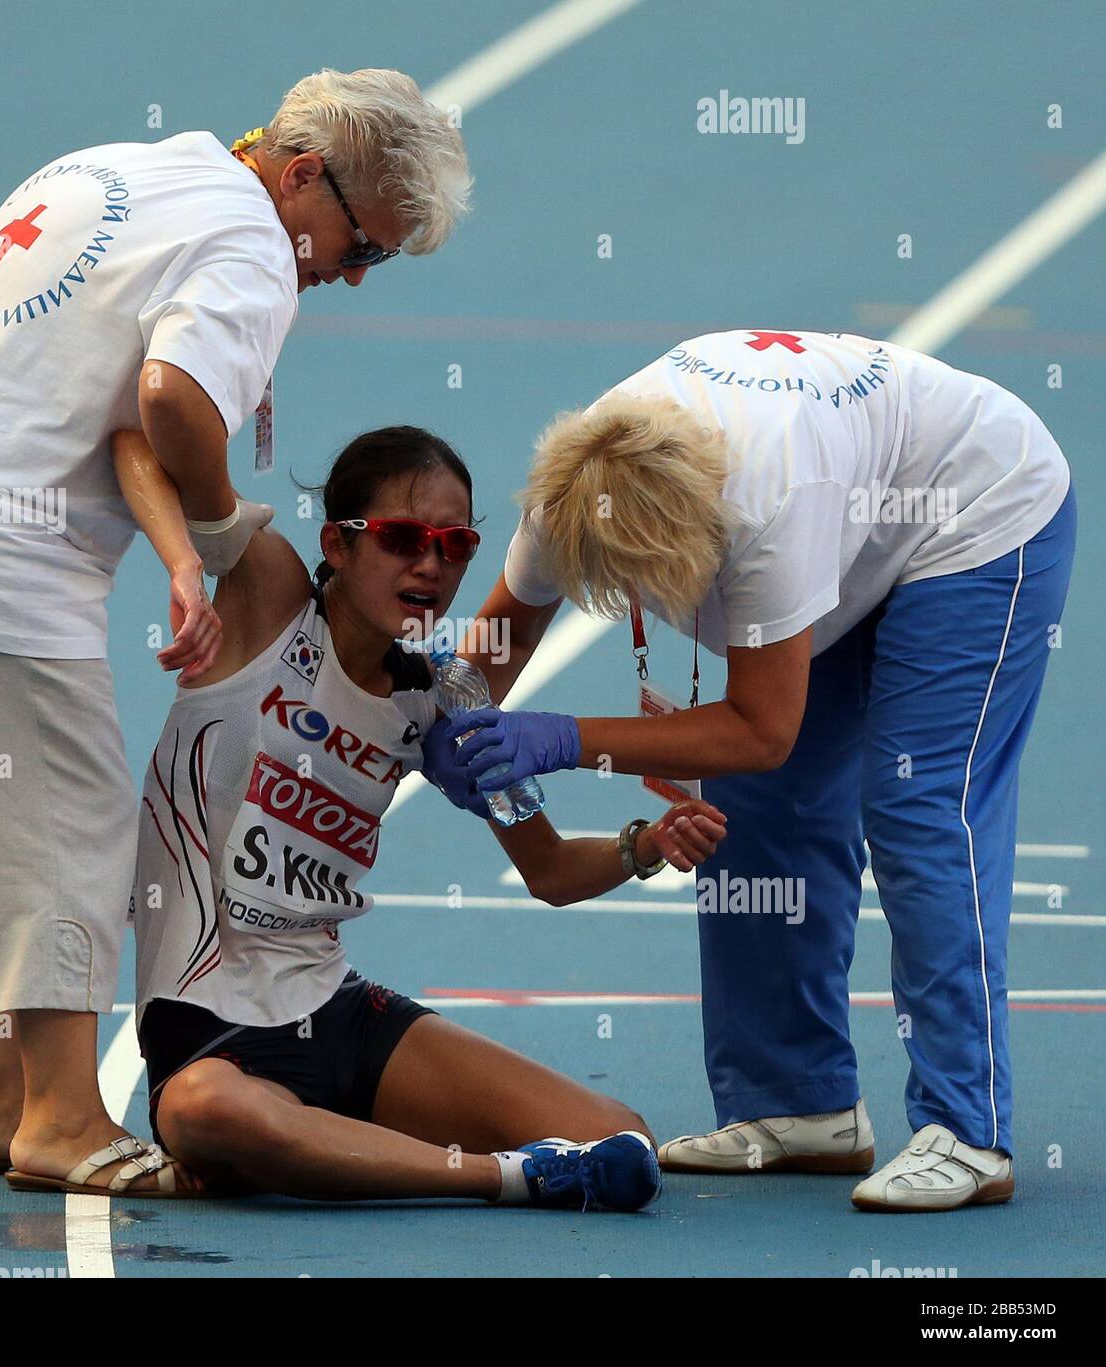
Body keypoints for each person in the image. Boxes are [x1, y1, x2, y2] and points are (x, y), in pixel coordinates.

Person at [0, 68, 471, 1196]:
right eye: (358, 248)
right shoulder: (256, 247)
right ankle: (61, 1121)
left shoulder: (125, 164)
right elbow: (169, 400)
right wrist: (211, 529)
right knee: (70, 829)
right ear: (302, 175)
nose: (348, 276)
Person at [423, 329, 1074, 1213]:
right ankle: (796, 1103)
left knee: (921, 803)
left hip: (974, 516)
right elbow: (492, 649)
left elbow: (762, 727)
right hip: (859, 514)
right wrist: (444, 720)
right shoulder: (574, 489)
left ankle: (968, 1125)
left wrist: (566, 737)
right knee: (765, 804)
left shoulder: (771, 508)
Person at [110, 422, 729, 1209]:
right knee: (209, 1112)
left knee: (617, 1133)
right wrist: (184, 563)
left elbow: (549, 871)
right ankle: (508, 1177)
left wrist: (644, 844)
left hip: (335, 1014)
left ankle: (323, 1144)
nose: (430, 565)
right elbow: (148, 433)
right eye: (403, 538)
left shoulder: (441, 696)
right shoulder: (267, 598)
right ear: (336, 543)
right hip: (209, 1035)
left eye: (455, 544)